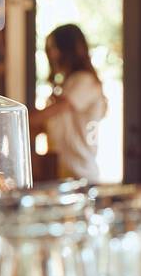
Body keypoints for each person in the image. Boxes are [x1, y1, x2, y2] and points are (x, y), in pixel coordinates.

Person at [28, 23, 107, 182]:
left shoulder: (84, 81)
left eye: (54, 47)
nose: (51, 54)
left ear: (69, 50)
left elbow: (54, 111)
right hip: (64, 175)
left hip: (81, 176)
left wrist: (16, 120)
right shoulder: (67, 84)